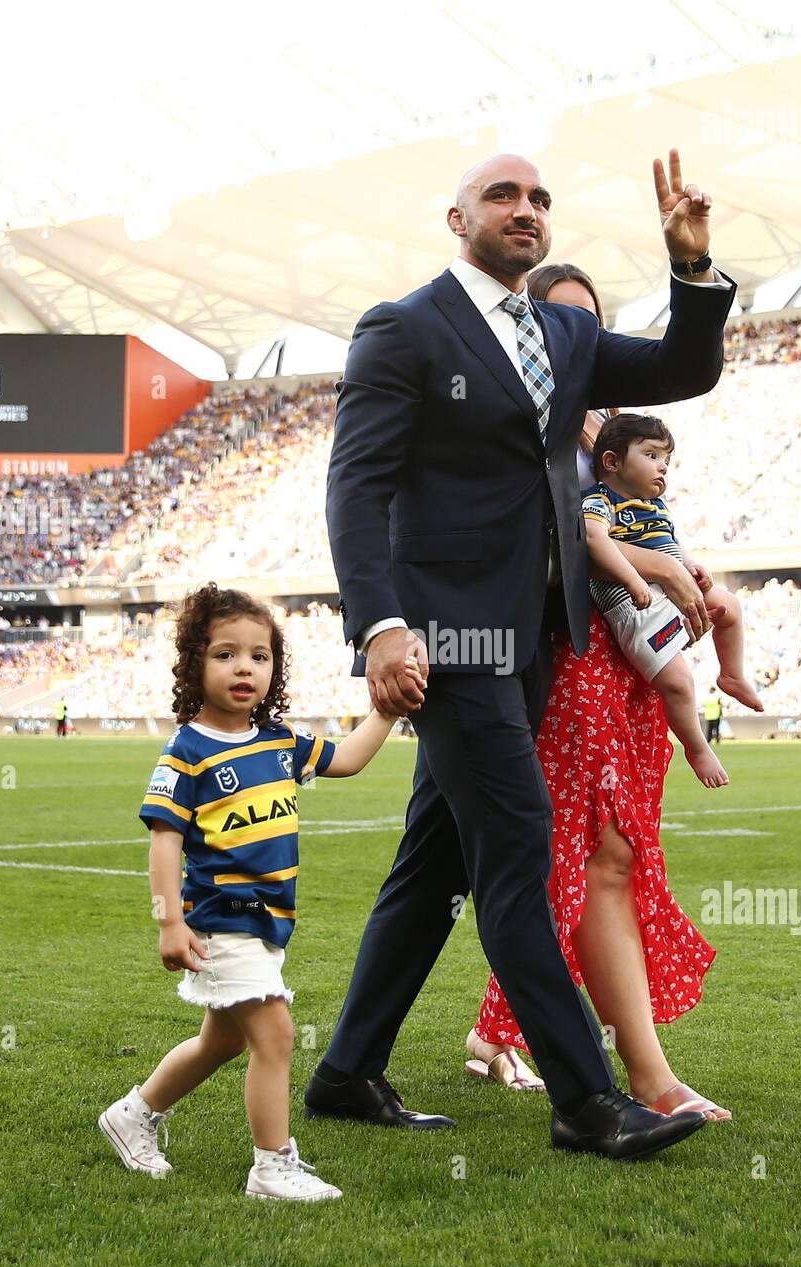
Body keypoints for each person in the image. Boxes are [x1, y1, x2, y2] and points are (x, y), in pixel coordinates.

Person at [309, 148, 736, 1163]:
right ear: (457, 220)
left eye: (540, 197)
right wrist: (380, 626)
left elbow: (685, 371)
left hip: (536, 638)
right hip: (444, 637)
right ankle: (587, 1103)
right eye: (502, 195)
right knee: (517, 847)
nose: (526, 209)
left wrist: (691, 273)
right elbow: (355, 487)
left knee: (436, 862)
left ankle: (343, 1072)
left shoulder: (566, 333)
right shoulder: (402, 328)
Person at [466, 266, 730, 1121]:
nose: (575, 336)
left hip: (625, 670)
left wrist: (694, 575)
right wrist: (650, 566)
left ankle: (505, 1033)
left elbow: (649, 526)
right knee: (596, 858)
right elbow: (524, 540)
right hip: (562, 660)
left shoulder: (607, 434)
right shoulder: (518, 422)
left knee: (603, 857)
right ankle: (642, 1073)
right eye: (554, 319)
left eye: (591, 324)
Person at [98, 582, 413, 1200]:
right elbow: (164, 842)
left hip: (269, 922)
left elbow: (346, 759)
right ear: (194, 664)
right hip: (223, 919)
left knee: (223, 1039)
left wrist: (387, 710)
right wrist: (169, 922)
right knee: (276, 1035)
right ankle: (272, 1167)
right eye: (225, 654)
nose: (244, 667)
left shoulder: (280, 741)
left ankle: (133, 1115)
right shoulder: (187, 753)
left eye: (259, 656)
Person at [584, 412, 763, 785]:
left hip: (670, 589)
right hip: (635, 601)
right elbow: (593, 540)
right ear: (612, 462)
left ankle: (732, 674)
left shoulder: (656, 507)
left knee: (729, 605)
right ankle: (697, 747)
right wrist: (633, 579)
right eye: (651, 456)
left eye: (667, 460)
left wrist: (693, 566)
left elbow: (672, 544)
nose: (662, 467)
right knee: (678, 682)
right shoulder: (600, 500)